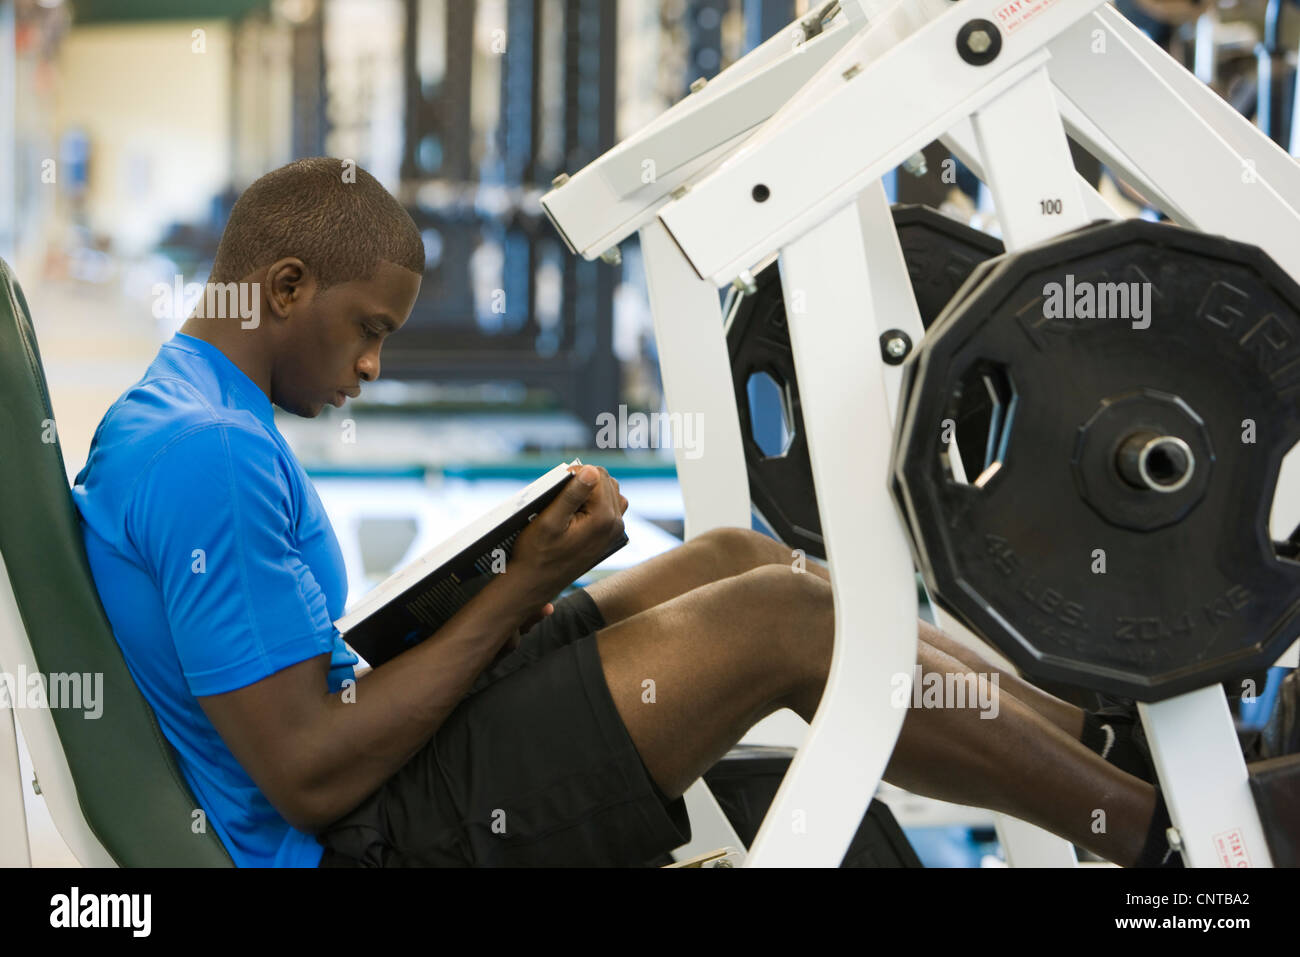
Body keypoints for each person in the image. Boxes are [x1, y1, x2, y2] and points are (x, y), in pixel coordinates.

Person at [72, 158, 1175, 868]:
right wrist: (519, 587)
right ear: (285, 285)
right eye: (368, 328)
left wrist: (509, 580)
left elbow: (306, 697)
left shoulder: (188, 405)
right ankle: (1161, 845)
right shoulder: (208, 456)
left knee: (739, 558)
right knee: (783, 631)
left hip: (369, 769)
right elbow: (307, 776)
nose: (368, 364)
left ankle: (1108, 744)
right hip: (368, 836)